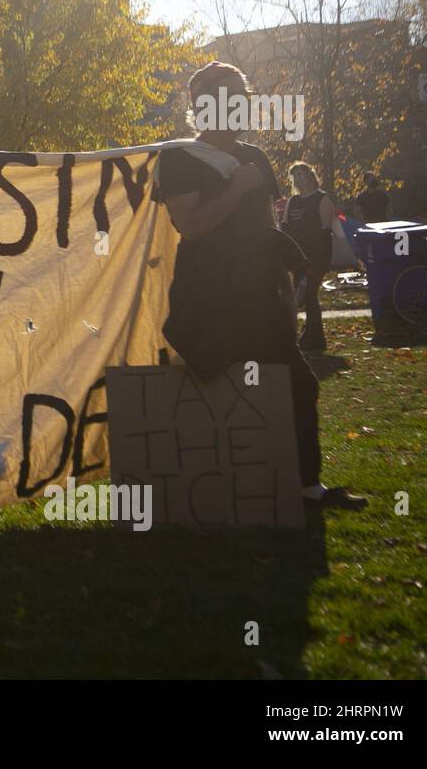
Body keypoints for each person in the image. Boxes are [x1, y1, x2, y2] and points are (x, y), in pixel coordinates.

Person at [154, 61, 366, 510]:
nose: (241, 106)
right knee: (213, 386)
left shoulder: (255, 157)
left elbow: (268, 226)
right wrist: (234, 189)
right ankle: (212, 491)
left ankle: (307, 487)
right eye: (231, 97)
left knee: (298, 384)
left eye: (243, 98)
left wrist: (286, 294)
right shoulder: (178, 159)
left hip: (259, 297)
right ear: (202, 107)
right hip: (207, 299)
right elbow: (190, 226)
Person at [280, 163, 333, 352]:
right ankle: (308, 334)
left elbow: (325, 233)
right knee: (301, 296)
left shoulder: (322, 198)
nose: (298, 179)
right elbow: (285, 229)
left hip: (316, 257)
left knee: (310, 294)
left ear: (310, 176)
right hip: (296, 258)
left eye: (302, 175)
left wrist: (315, 262)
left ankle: (316, 338)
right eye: (295, 177)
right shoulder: (292, 201)